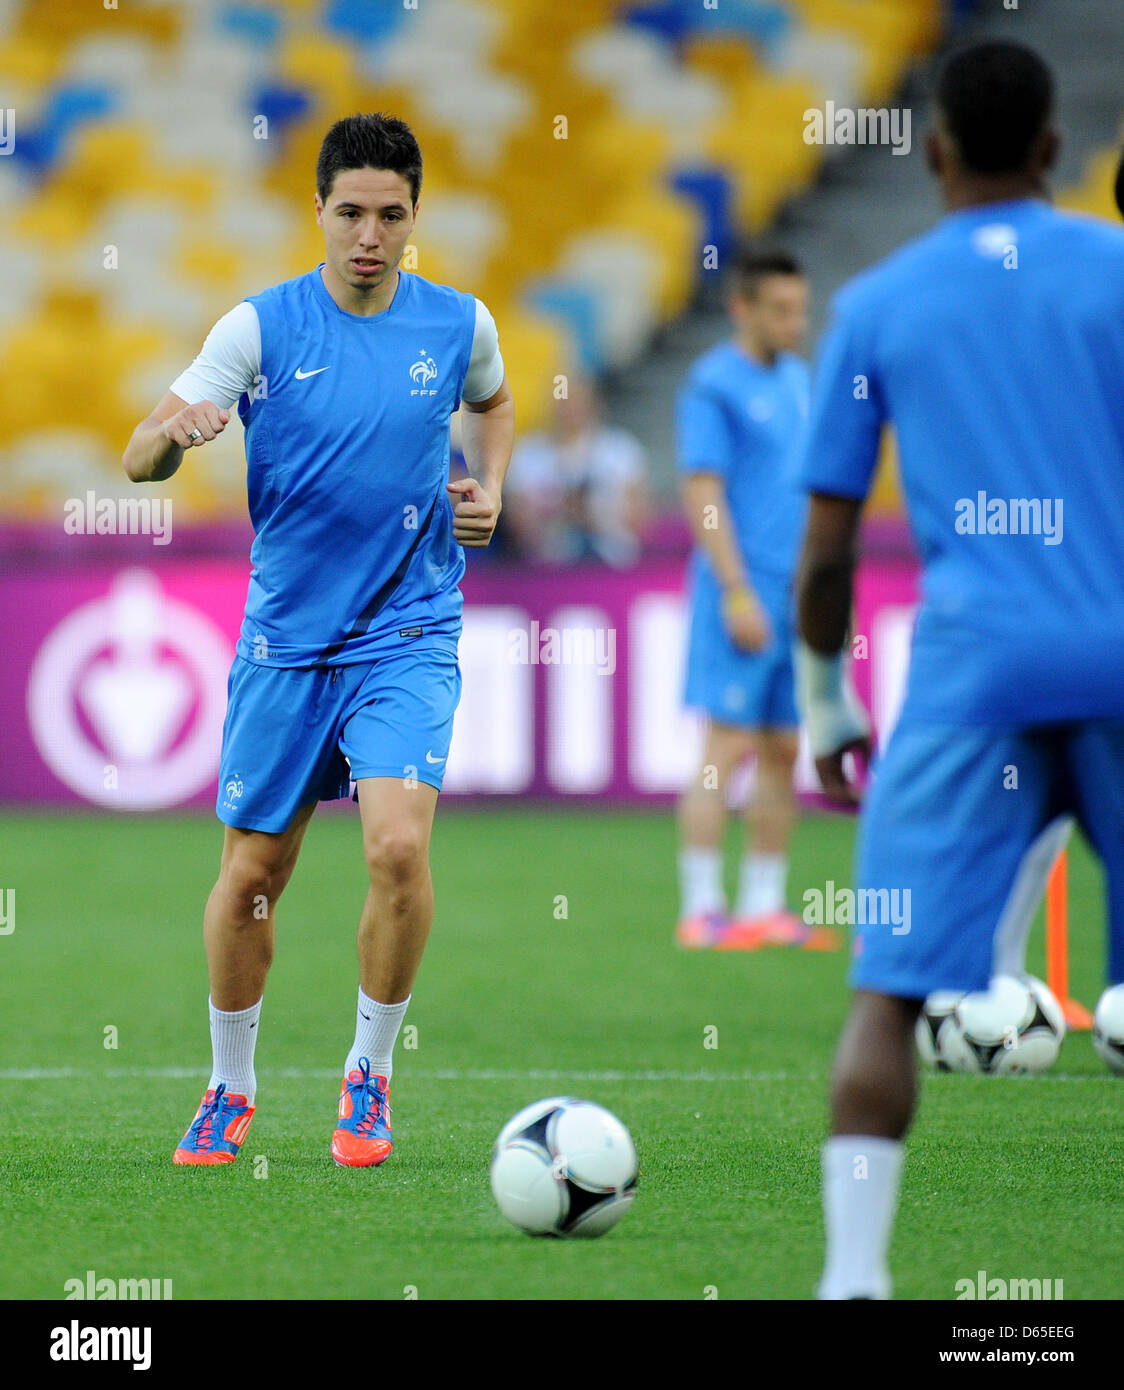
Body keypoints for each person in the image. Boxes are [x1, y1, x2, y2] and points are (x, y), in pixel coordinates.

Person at [794, 40, 1124, 1298]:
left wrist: (827, 694)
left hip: (966, 675)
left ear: (930, 154)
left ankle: (853, 1279)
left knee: (885, 992)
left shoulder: (877, 303)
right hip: (1114, 655)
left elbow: (826, 545)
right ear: (1052, 150)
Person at [122, 113, 513, 1168]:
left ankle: (370, 1074)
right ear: (319, 212)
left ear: (413, 217)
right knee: (254, 872)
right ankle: (229, 1085)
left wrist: (490, 492)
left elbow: (496, 401)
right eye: (351, 213)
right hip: (287, 642)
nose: (369, 236)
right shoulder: (257, 329)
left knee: (396, 847)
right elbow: (135, 458)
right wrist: (173, 434)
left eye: (391, 215)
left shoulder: (458, 323)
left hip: (409, 628)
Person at [675, 245, 836, 952]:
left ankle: (765, 905)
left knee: (781, 747)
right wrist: (737, 590)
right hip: (738, 591)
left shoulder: (801, 380)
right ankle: (702, 906)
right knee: (726, 745)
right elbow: (703, 492)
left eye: (801, 310)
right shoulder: (713, 384)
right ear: (742, 308)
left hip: (794, 593)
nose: (794, 323)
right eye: (780, 310)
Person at [501, 376, 648, 567]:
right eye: (564, 403)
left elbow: (640, 516)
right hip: (546, 564)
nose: (570, 411)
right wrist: (555, 512)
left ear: (594, 404)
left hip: (613, 560)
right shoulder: (528, 454)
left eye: (577, 402)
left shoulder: (620, 450)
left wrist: (595, 514)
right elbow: (515, 521)